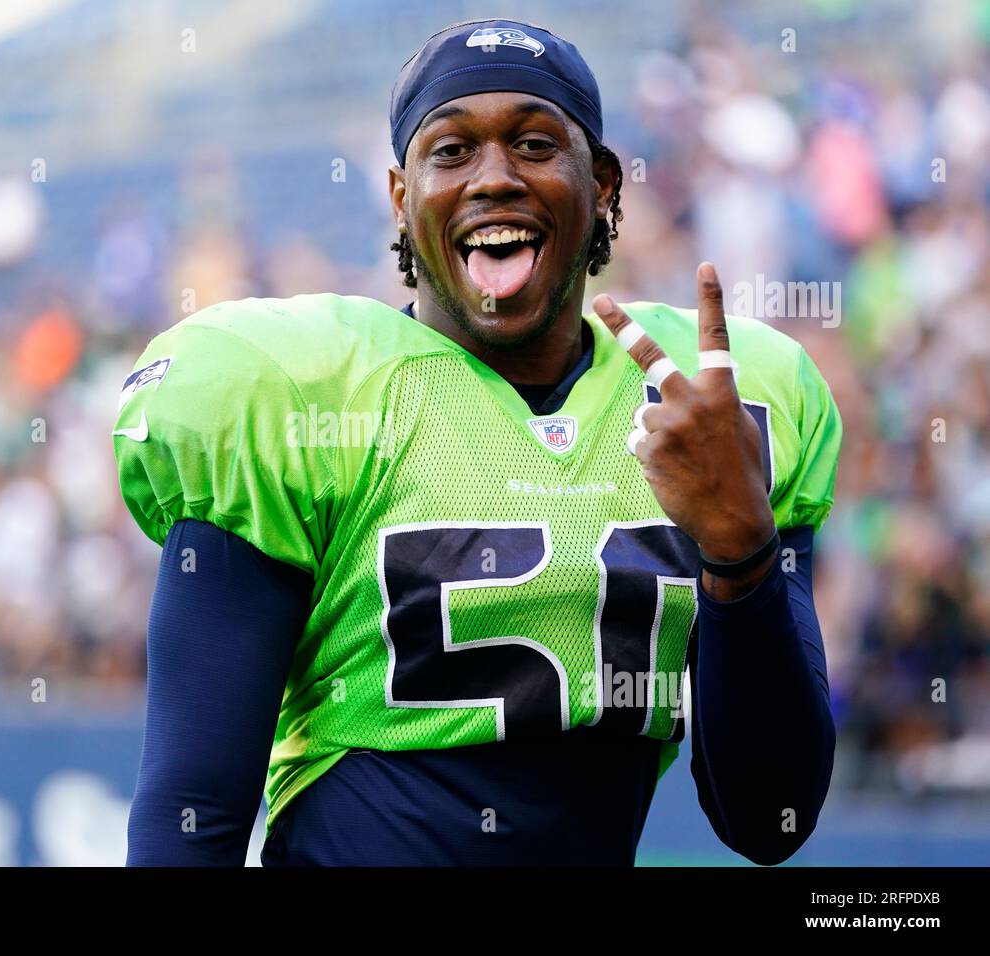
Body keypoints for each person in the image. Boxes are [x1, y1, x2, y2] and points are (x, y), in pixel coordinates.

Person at [115, 18, 839, 866]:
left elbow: (772, 818)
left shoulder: (722, 402)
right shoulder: (296, 395)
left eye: (535, 143)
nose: (494, 179)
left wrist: (740, 546)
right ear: (400, 196)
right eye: (451, 151)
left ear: (602, 182)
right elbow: (193, 806)